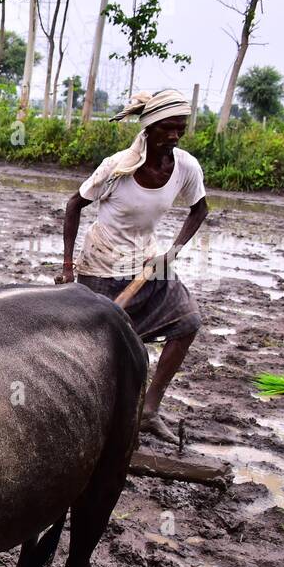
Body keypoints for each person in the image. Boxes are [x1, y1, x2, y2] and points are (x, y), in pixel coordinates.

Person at [61, 89, 208, 442]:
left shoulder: (185, 167)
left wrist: (173, 251)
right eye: (167, 129)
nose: (173, 136)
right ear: (149, 128)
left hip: (149, 263)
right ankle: (87, 417)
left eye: (180, 129)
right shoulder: (117, 168)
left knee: (187, 321)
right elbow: (73, 206)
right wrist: (68, 268)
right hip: (103, 266)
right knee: (104, 349)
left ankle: (148, 411)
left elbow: (199, 209)